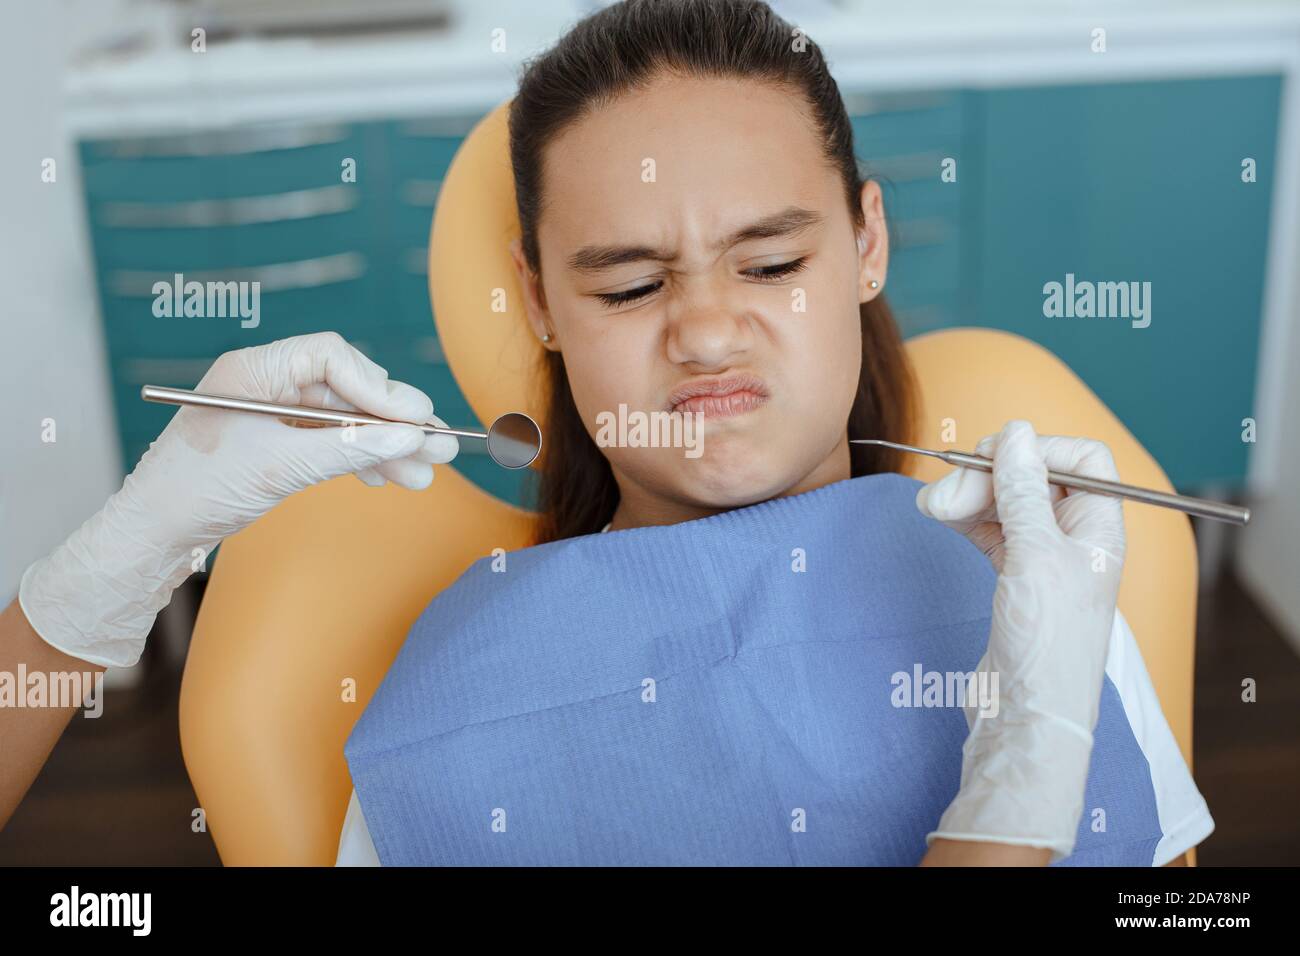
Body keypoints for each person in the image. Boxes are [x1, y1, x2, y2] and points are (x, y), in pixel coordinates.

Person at [2, 0, 1211, 866]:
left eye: (774, 260)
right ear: (539, 301)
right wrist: (117, 561)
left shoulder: (1050, 604)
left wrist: (1054, 712)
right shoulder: (452, 715)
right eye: (629, 287)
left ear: (867, 242)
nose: (705, 330)